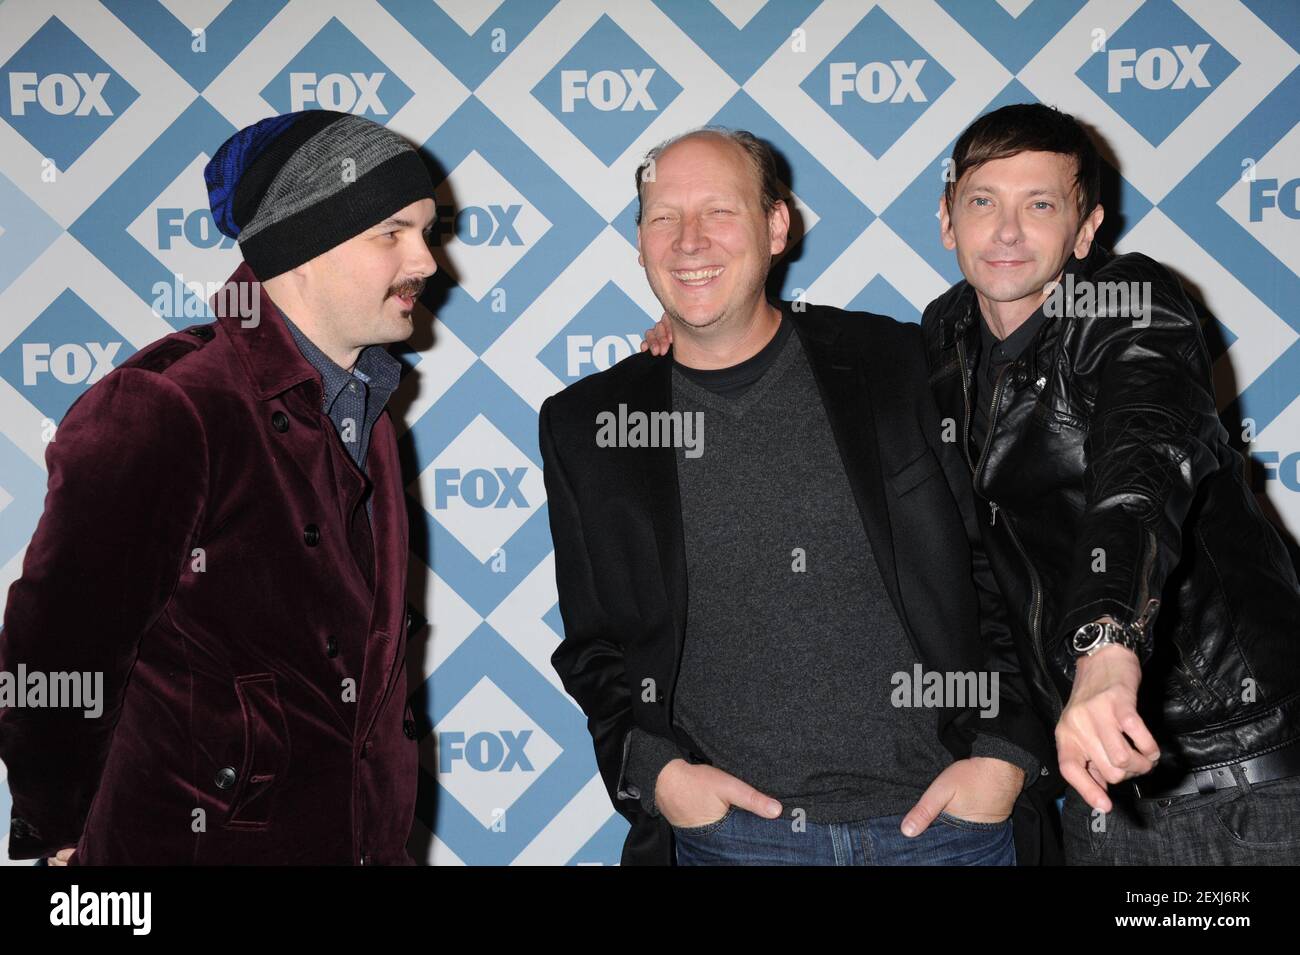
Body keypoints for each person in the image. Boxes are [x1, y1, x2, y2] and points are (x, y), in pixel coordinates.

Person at [544, 127, 1059, 866]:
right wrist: (655, 773)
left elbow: (1001, 569)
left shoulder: (898, 363)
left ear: (776, 226)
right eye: (663, 217)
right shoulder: (587, 424)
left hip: (948, 830)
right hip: (729, 841)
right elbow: (595, 645)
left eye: (719, 212)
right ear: (639, 239)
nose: (689, 241)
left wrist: (1008, 750)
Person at [0, 109, 437, 864]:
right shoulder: (172, 405)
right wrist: (64, 832)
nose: (427, 261)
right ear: (305, 246)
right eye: (393, 232)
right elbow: (56, 652)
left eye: (426, 231)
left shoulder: (370, 407)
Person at [923, 103, 1300, 865]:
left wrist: (1106, 642)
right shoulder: (946, 334)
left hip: (1238, 773)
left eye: (1040, 205)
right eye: (983, 202)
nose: (1005, 231)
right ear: (947, 218)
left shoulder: (1126, 301)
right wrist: (692, 338)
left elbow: (1140, 467)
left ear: (1085, 230)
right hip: (1094, 783)